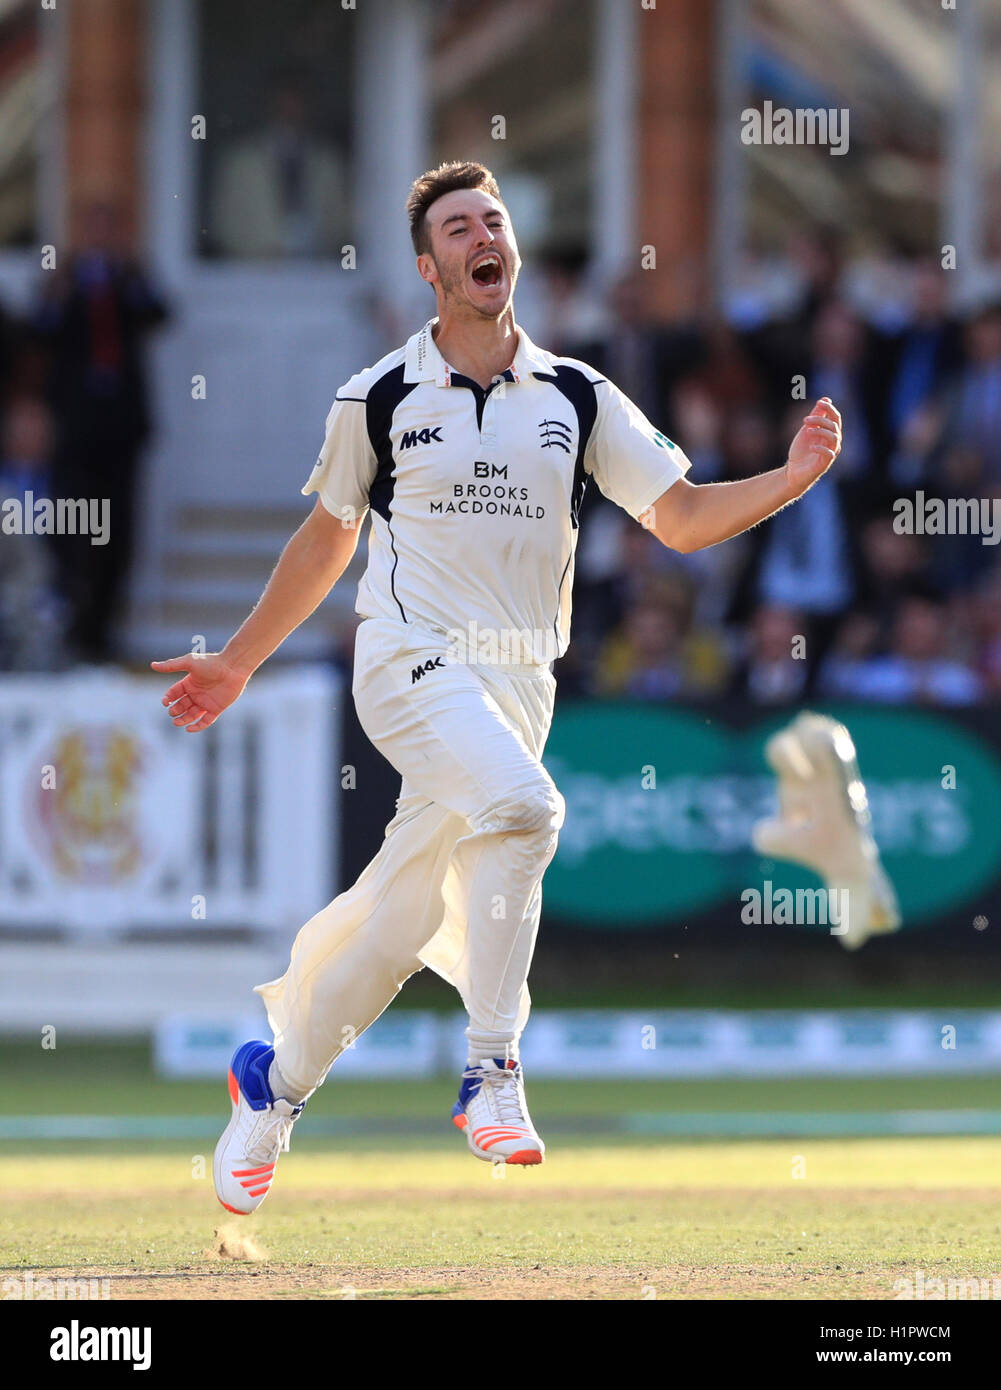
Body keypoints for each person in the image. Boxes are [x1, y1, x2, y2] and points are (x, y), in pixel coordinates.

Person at [151, 161, 843, 1214]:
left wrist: (788, 481)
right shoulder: (376, 394)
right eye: (458, 226)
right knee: (526, 806)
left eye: (495, 221)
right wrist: (240, 656)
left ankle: (273, 1086)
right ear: (431, 268)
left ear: (509, 252)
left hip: (519, 684)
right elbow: (327, 537)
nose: (484, 236)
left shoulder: (578, 394)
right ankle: (492, 1071)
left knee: (396, 920)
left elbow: (683, 517)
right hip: (403, 658)